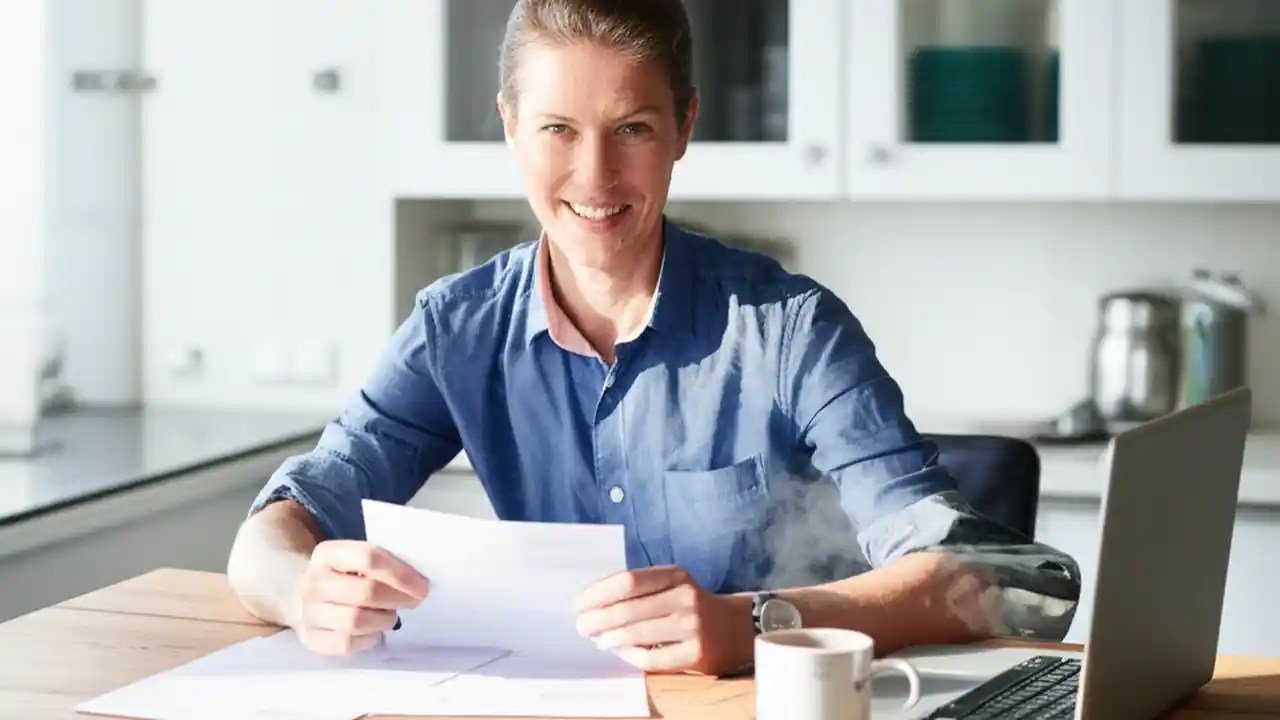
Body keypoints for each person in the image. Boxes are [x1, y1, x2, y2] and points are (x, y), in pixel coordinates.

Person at [226, 0, 1081, 677]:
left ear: (684, 127)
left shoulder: (790, 330)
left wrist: (753, 623)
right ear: (511, 126)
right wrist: (301, 590)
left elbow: (1021, 587)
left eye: (631, 127)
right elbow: (272, 532)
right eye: (558, 128)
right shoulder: (457, 329)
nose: (594, 177)